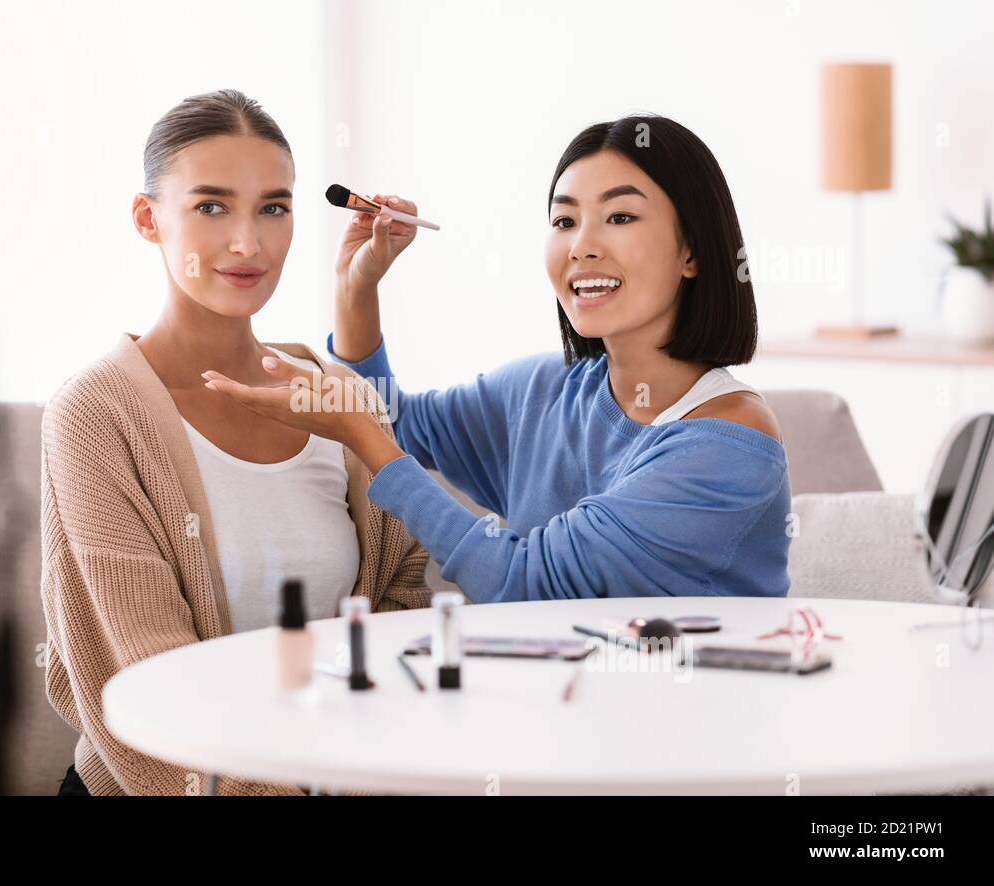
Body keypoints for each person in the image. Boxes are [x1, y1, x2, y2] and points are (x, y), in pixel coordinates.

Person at [204, 114, 792, 603]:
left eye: (620, 217)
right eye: (564, 220)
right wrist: (357, 288)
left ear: (692, 251)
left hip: (689, 731)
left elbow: (524, 585)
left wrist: (361, 434)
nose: (582, 245)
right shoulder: (545, 389)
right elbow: (395, 424)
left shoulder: (727, 443)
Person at [39, 90, 430, 797]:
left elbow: (405, 601)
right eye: (211, 206)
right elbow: (136, 677)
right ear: (147, 218)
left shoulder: (339, 400)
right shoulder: (94, 415)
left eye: (273, 208)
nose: (248, 244)